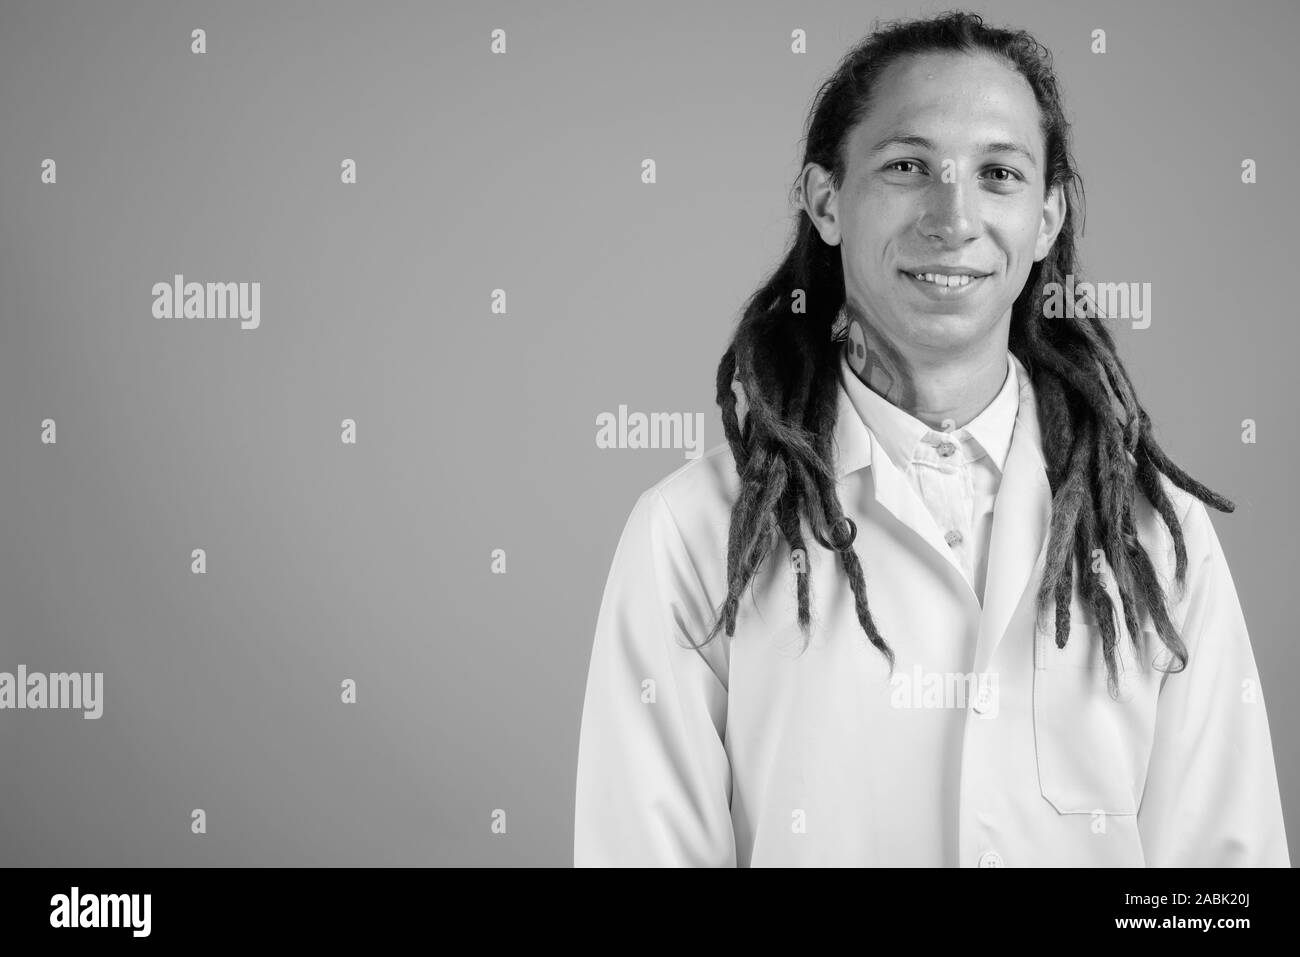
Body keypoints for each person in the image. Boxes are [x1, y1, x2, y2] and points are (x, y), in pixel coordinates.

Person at [573, 11, 1289, 867]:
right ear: (828, 201)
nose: (954, 218)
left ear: (1047, 219)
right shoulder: (690, 535)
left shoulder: (1153, 533)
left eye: (999, 173)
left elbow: (1218, 886)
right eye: (909, 166)